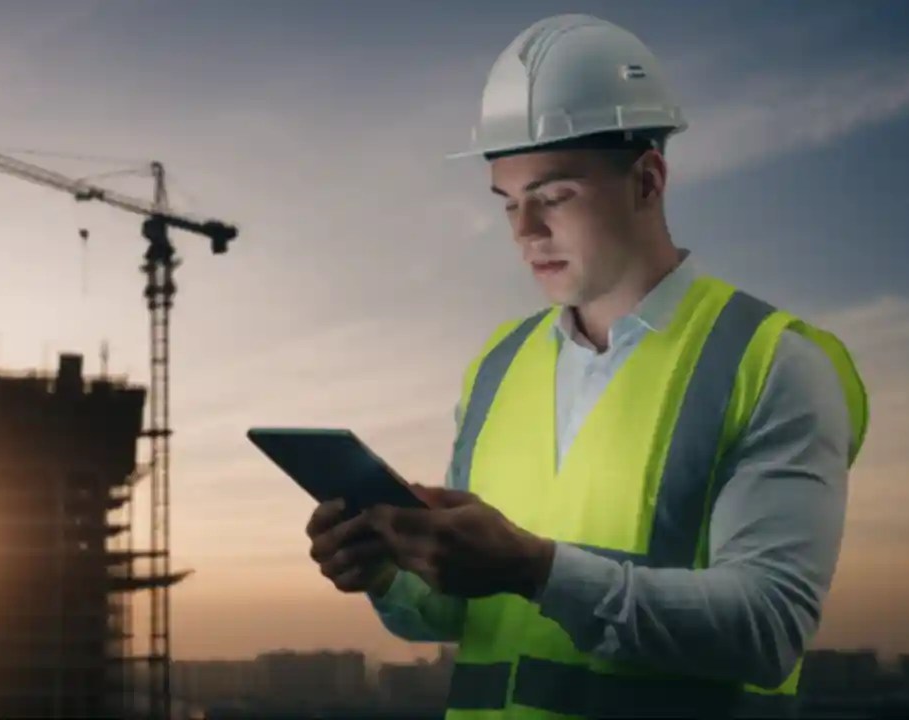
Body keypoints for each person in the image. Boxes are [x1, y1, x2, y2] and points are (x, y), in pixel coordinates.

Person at [305, 13, 869, 719]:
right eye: (509, 203)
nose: (525, 232)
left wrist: (534, 569)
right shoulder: (498, 366)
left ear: (648, 181)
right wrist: (389, 572)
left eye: (554, 196)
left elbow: (768, 628)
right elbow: (463, 616)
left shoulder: (774, 363)